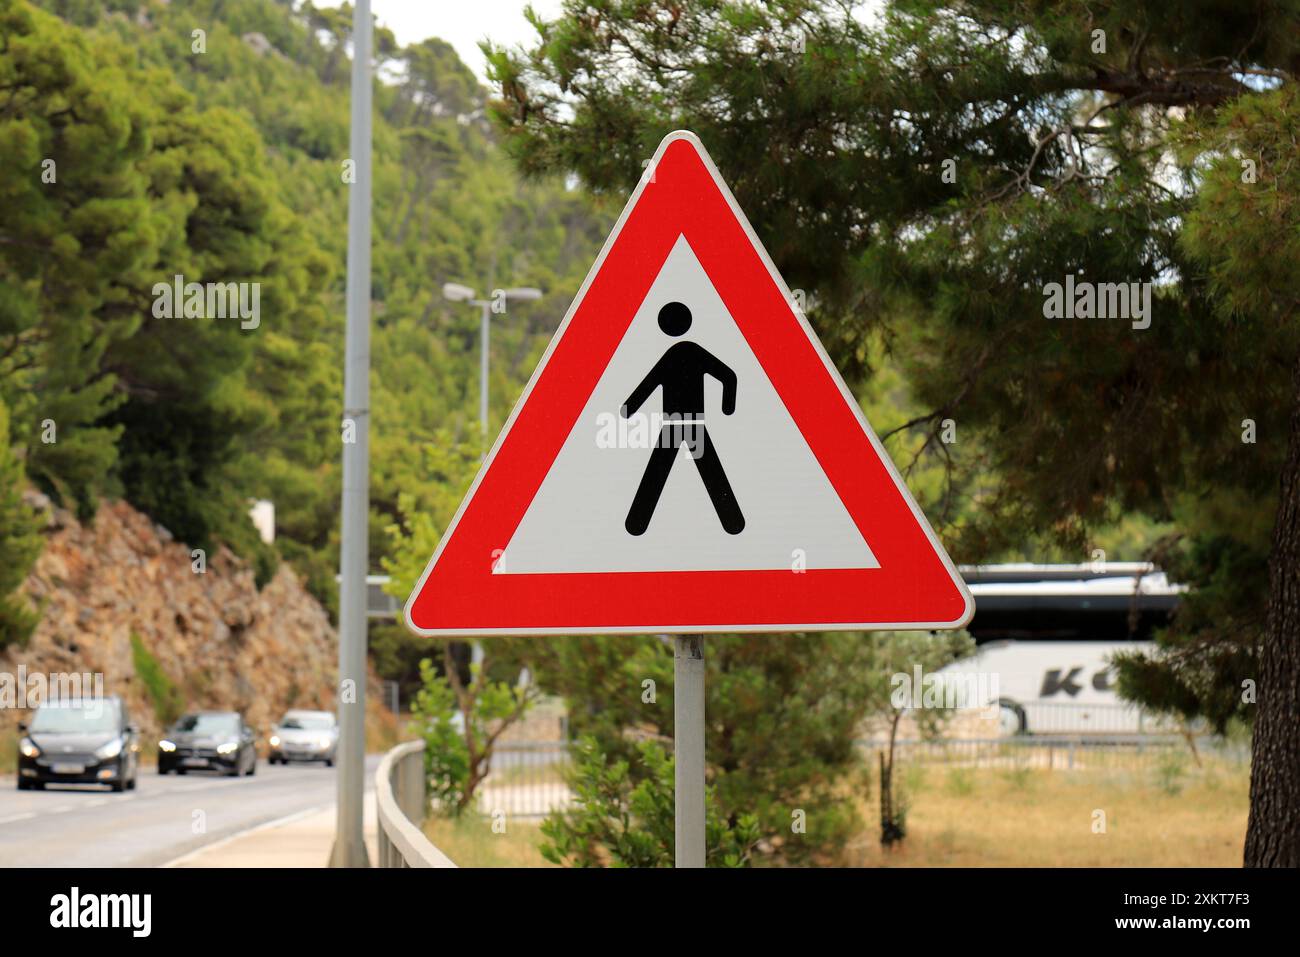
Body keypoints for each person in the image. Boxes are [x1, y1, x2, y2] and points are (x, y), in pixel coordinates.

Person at [620, 300, 745, 535]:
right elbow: (729, 377)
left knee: (662, 469)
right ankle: (733, 523)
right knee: (703, 469)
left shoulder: (677, 354)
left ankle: (636, 525)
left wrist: (629, 409)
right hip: (690, 424)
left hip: (677, 424)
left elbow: (649, 384)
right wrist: (727, 406)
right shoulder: (691, 352)